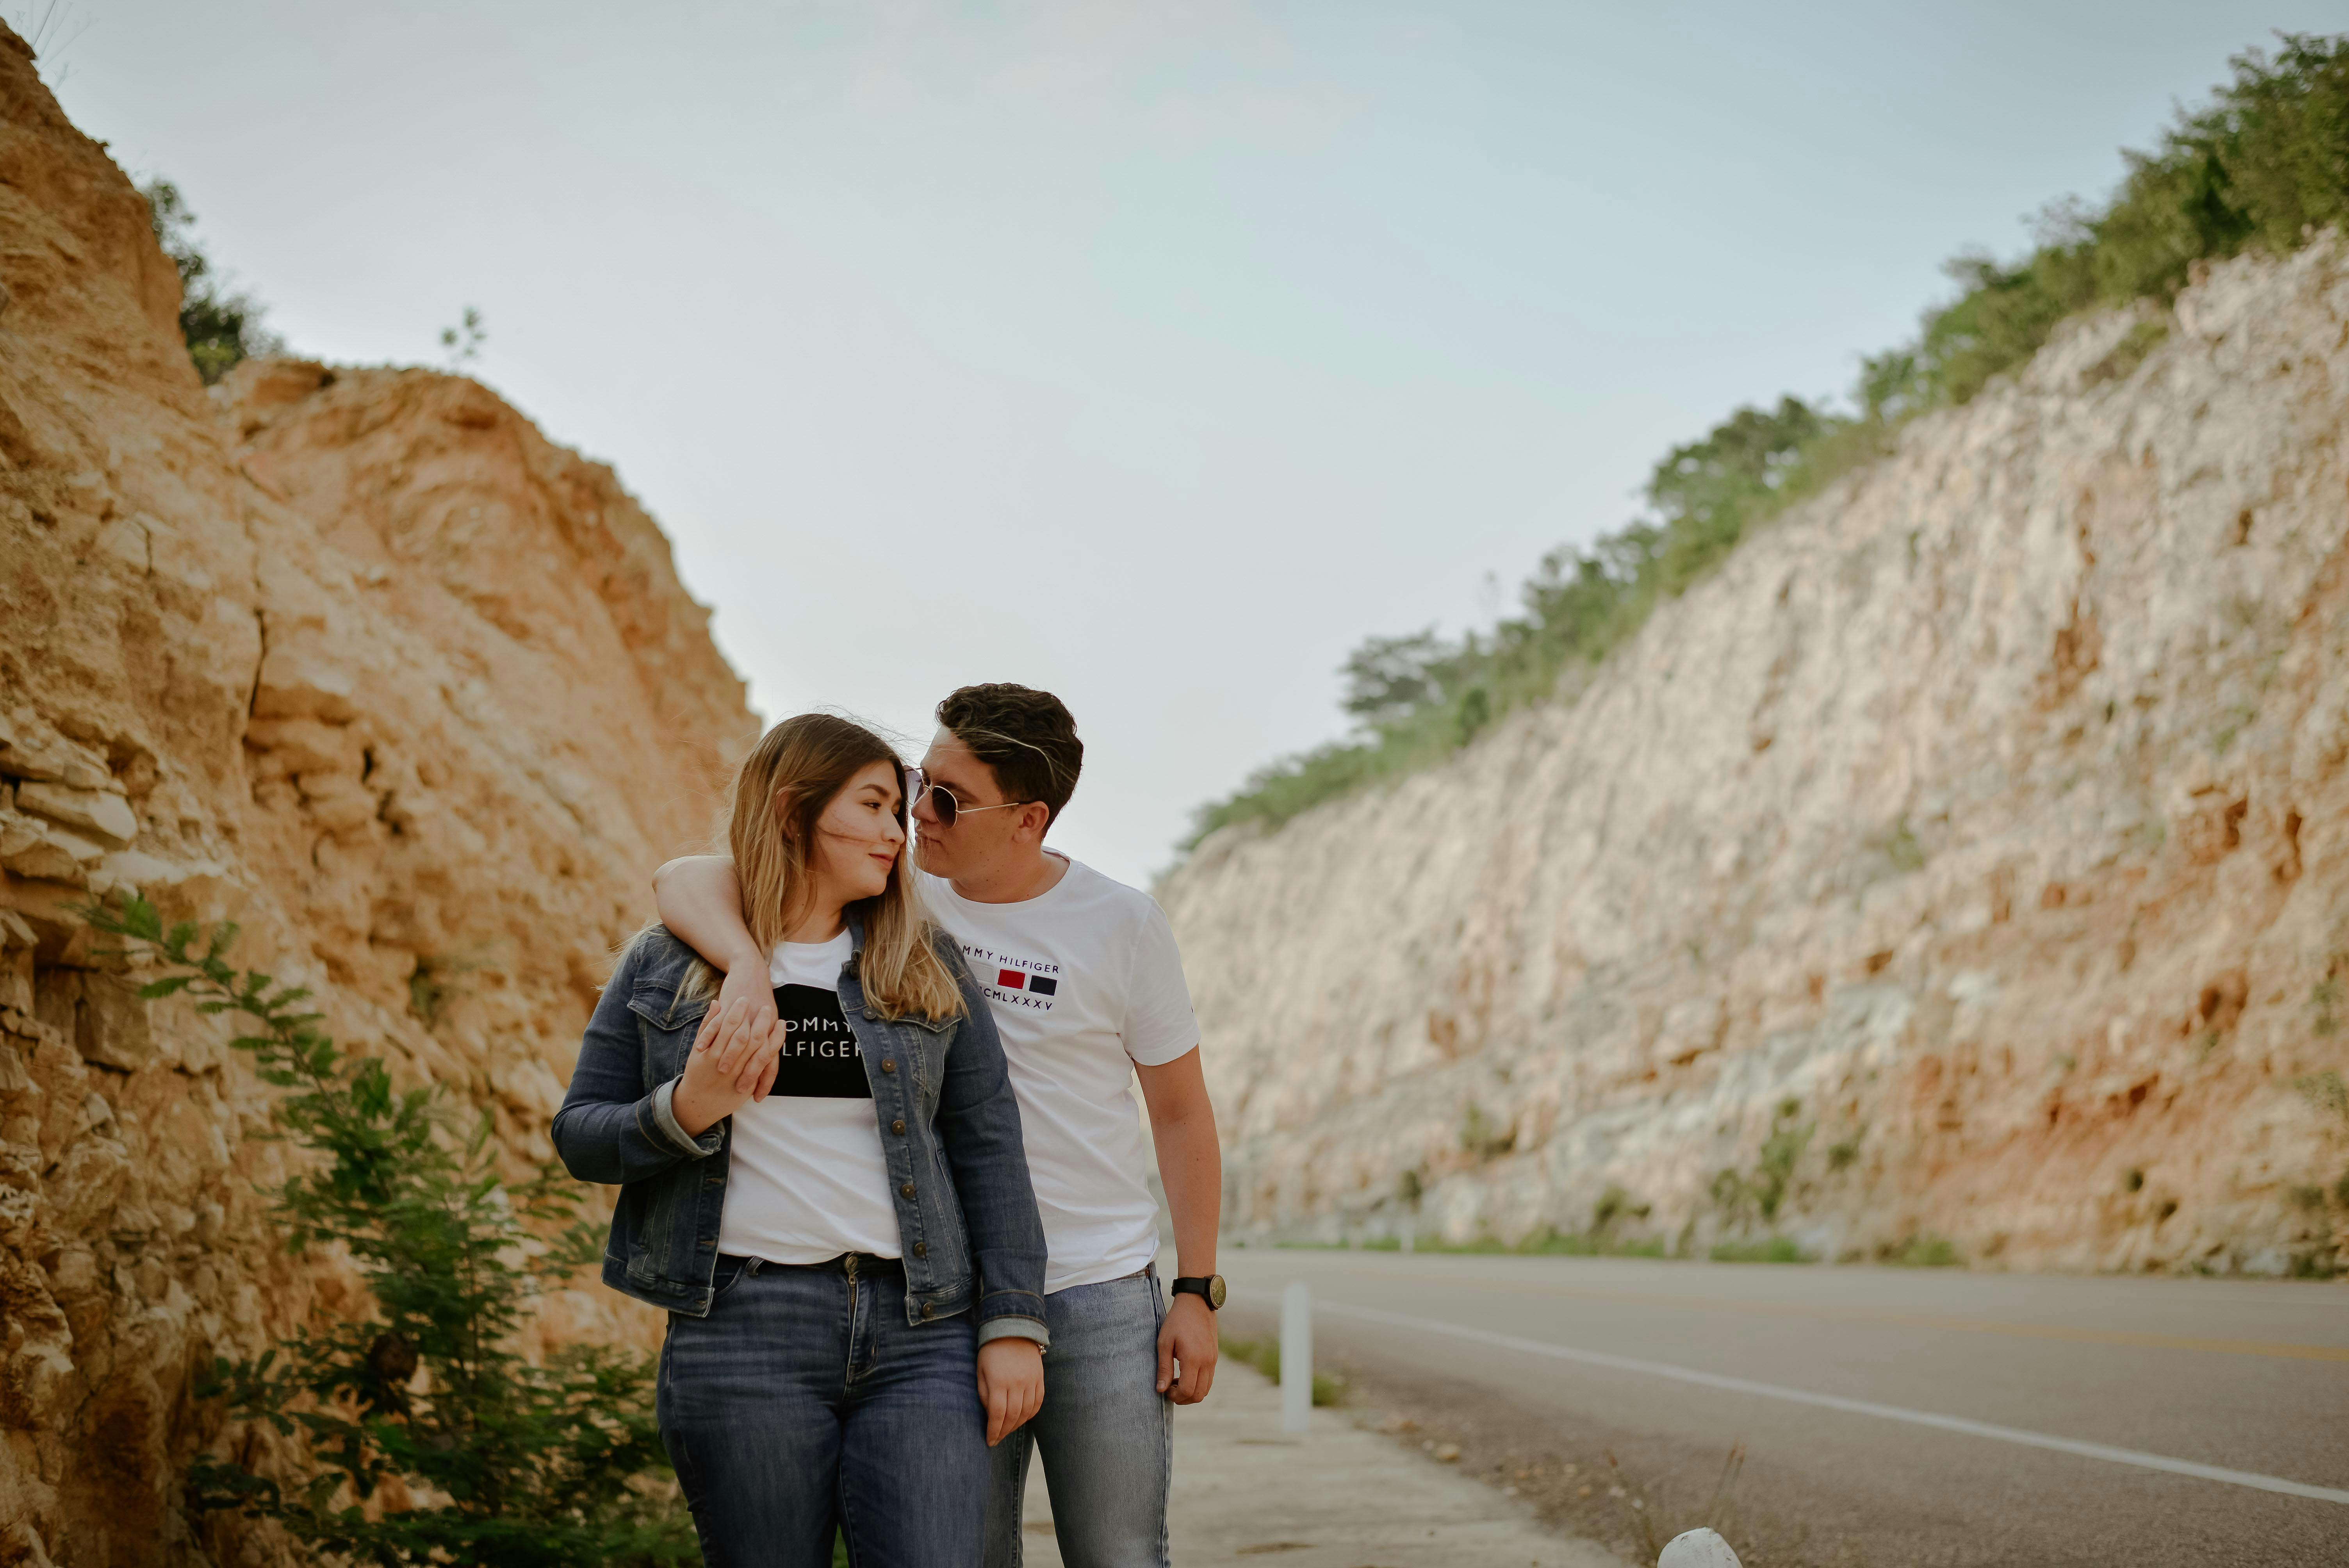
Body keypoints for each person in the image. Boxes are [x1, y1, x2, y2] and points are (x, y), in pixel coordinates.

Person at [655, 683, 1224, 1568]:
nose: (918, 813)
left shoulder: (1121, 925)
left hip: (1098, 1290)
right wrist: (740, 964)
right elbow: (686, 878)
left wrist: (1194, 1288)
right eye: (921, 783)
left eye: (946, 800)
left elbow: (1181, 1114)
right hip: (954, 1294)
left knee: (1118, 1556)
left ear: (1028, 818)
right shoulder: (896, 891)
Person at [553, 712, 1050, 1568]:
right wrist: (687, 1106)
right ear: (793, 810)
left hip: (921, 1331)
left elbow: (988, 1146)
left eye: (900, 811)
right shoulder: (667, 963)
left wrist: (1012, 1320)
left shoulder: (922, 960)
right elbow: (581, 1136)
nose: (900, 833)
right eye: (874, 806)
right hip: (743, 1331)